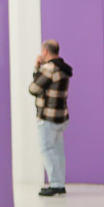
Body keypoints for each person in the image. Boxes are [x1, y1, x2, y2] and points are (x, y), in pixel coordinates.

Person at [29, 39, 73, 197]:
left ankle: (55, 184)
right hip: (61, 116)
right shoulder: (63, 68)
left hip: (48, 116)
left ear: (45, 51)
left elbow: (34, 88)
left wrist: (37, 68)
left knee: (47, 149)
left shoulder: (49, 68)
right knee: (58, 151)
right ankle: (60, 183)